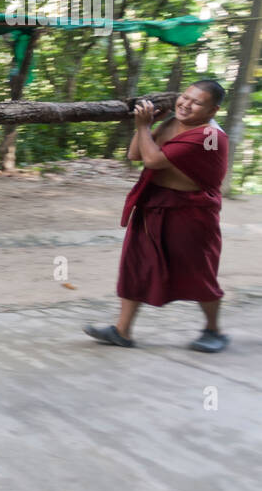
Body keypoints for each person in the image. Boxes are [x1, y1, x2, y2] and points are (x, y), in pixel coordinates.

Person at [85, 80, 231, 353]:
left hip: (192, 212)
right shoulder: (173, 123)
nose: (186, 104)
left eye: (197, 102)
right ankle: (122, 331)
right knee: (136, 265)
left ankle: (214, 330)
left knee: (198, 273)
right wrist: (148, 126)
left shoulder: (209, 137)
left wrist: (142, 126)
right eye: (185, 97)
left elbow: (152, 161)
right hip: (155, 205)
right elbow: (135, 153)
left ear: (213, 110)